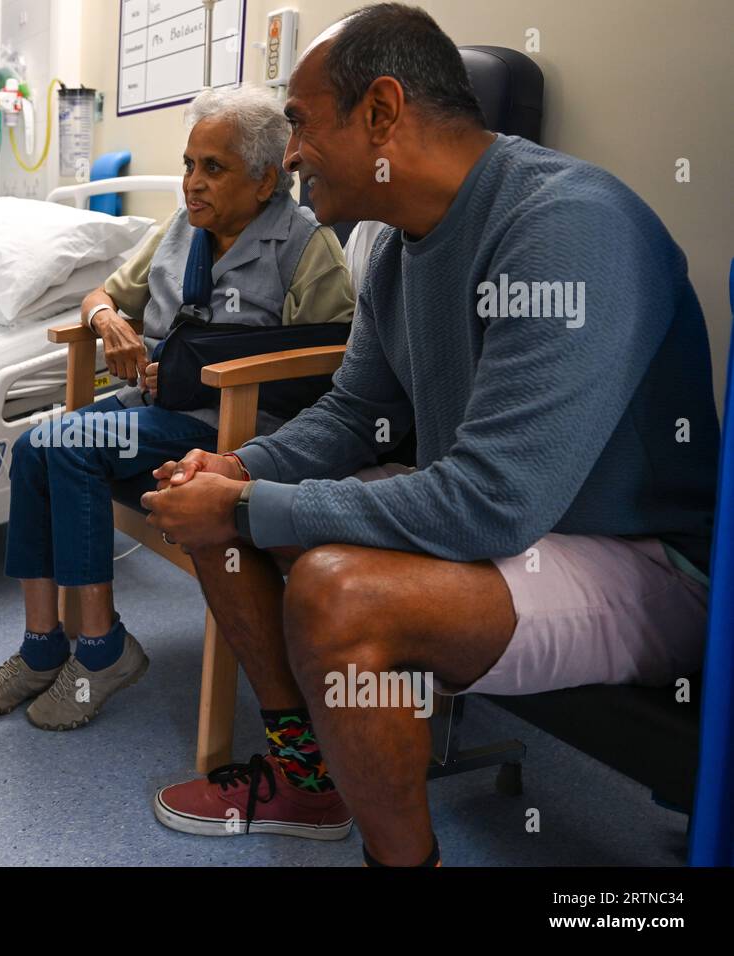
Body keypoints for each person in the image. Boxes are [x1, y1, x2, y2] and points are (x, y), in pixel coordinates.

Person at [142, 3, 718, 866]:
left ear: (380, 112)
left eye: (300, 124)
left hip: (643, 562)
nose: (290, 155)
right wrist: (232, 470)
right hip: (512, 533)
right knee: (222, 526)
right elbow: (348, 416)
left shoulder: (567, 225)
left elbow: (494, 501)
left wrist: (257, 502)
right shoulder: (396, 249)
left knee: (340, 589)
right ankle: (311, 780)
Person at [0, 85, 356, 731]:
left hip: (232, 430)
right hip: (153, 411)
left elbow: (332, 359)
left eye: (213, 168)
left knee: (69, 444)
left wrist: (212, 373)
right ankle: (40, 647)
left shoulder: (306, 247)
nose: (192, 184)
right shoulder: (180, 230)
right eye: (189, 165)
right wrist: (111, 321)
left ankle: (102, 651)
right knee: (35, 446)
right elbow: (100, 294)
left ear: (263, 181)